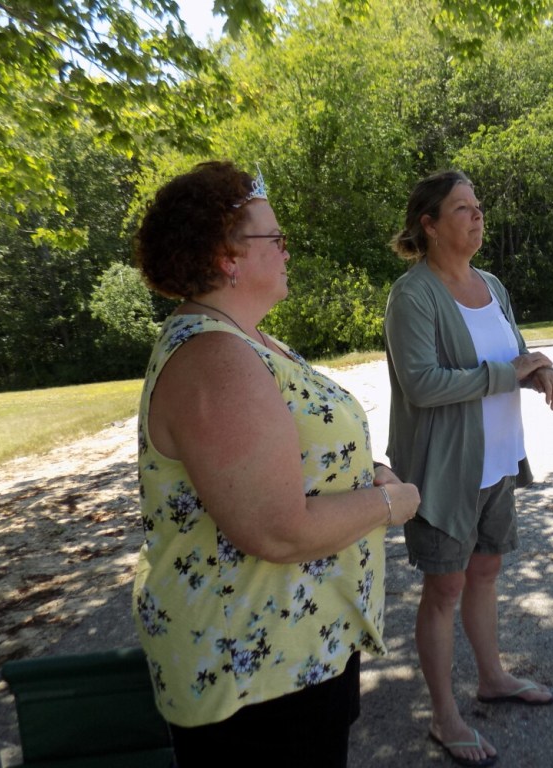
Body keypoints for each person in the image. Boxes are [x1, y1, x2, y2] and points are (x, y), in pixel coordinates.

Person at [132, 160, 420, 767]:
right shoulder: (215, 358)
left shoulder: (243, 338)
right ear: (226, 257)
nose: (288, 250)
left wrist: (361, 473)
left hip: (294, 652)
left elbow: (288, 457)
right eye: (276, 237)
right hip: (254, 673)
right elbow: (276, 529)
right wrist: (390, 503)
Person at [384, 170, 553, 767]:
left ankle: (492, 678)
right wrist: (508, 375)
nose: (477, 215)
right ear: (429, 225)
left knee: (485, 571)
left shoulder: (491, 284)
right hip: (444, 468)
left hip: (498, 459)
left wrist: (539, 370)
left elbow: (512, 354)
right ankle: (444, 715)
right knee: (445, 588)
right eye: (462, 208)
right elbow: (422, 383)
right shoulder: (413, 295)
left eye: (478, 206)